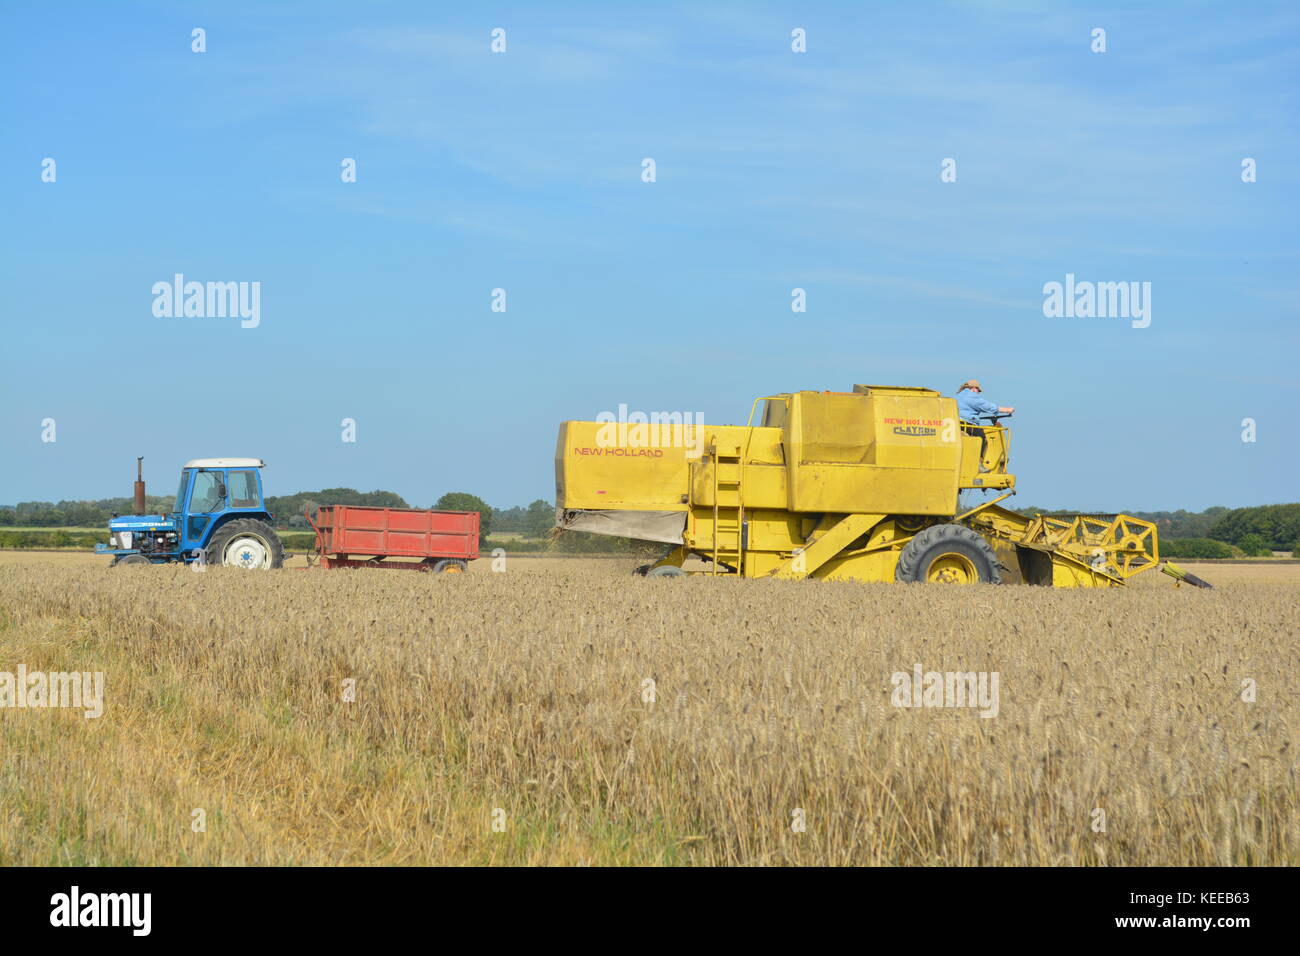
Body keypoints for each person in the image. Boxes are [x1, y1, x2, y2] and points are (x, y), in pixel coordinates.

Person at [955, 380, 1014, 473]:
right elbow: (987, 406)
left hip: (956, 424)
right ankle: (978, 463)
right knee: (981, 436)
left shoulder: (958, 396)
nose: (978, 393)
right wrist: (1007, 410)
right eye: (979, 391)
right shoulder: (971, 396)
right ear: (974, 388)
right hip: (966, 424)